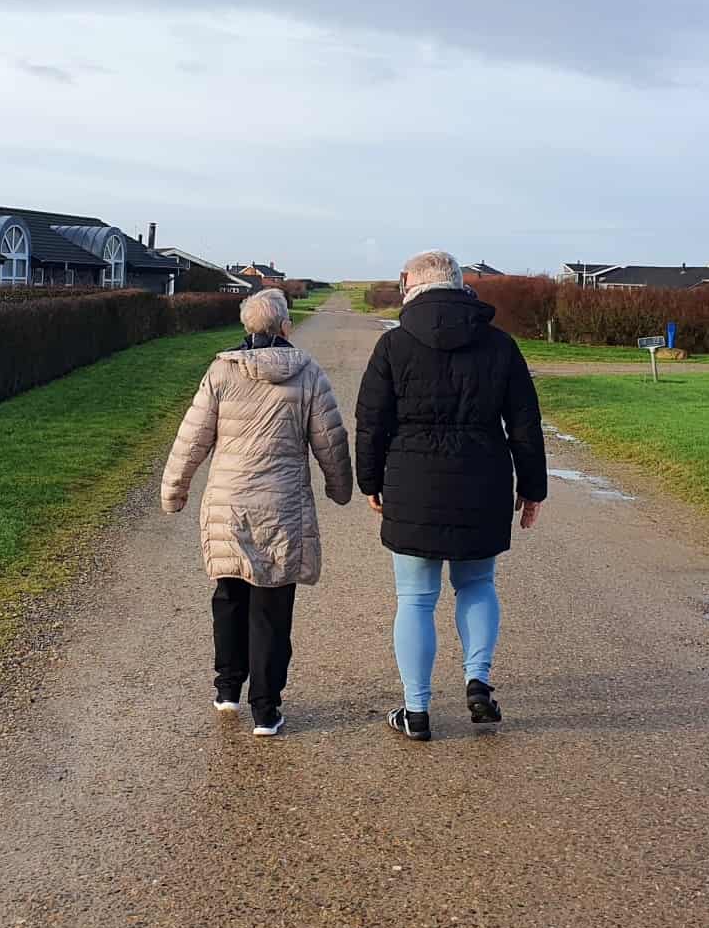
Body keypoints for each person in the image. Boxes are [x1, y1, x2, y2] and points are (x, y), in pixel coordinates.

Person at [356, 250, 546, 740]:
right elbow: (524, 423)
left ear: (412, 287)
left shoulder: (393, 346)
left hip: (411, 482)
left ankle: (416, 711)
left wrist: (370, 481)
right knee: (477, 585)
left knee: (415, 598)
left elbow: (371, 422)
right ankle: (477, 682)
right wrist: (532, 489)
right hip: (481, 479)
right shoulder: (500, 345)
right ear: (460, 285)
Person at [162, 287, 353, 737]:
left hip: (229, 505)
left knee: (228, 594)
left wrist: (175, 488)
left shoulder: (221, 372)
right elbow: (330, 439)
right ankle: (265, 709)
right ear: (285, 326)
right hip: (281, 507)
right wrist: (340, 486)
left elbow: (193, 437)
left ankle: (228, 688)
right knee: (271, 606)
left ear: (247, 328)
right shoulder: (307, 375)